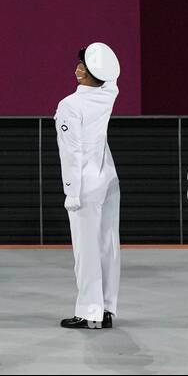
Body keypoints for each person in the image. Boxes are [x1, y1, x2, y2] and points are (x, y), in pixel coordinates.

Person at [55, 43, 121, 330]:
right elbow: (112, 76)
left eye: (83, 64)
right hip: (108, 176)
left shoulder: (70, 104)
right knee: (108, 244)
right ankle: (106, 308)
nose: (77, 68)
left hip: (85, 183)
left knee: (86, 250)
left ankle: (89, 311)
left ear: (90, 73)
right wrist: (102, 60)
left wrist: (71, 190)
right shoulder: (109, 94)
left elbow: (72, 152)